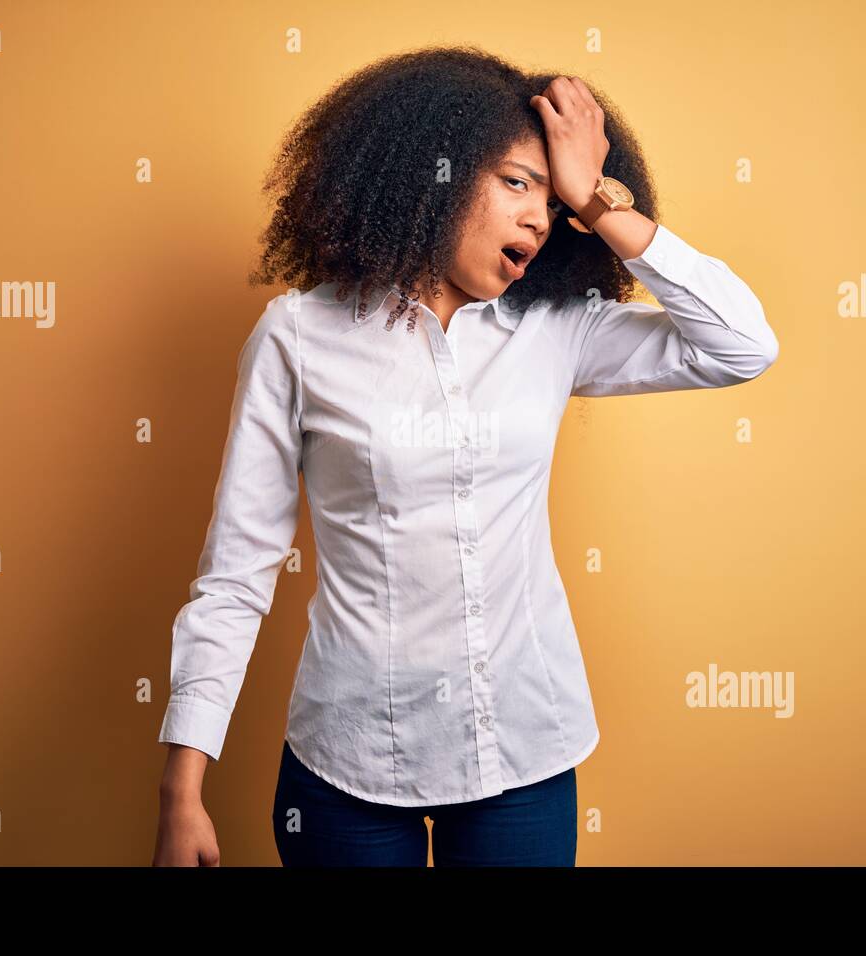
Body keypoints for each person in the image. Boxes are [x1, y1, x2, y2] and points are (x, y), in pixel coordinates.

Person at [152, 45, 779, 867]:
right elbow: (238, 570)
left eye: (555, 203)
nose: (538, 218)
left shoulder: (557, 329)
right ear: (427, 172)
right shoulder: (298, 337)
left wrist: (599, 199)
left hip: (525, 754)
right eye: (517, 182)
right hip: (349, 769)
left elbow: (742, 345)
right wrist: (182, 791)